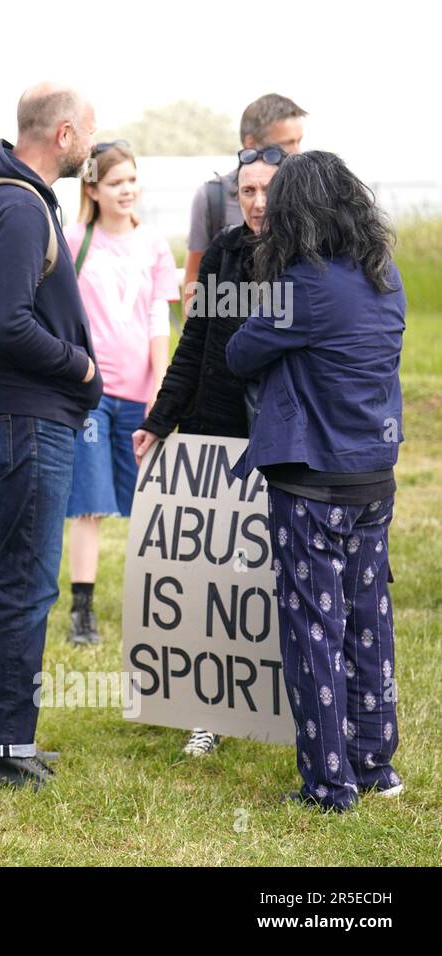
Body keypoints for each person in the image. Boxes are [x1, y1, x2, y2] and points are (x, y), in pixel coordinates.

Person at [225, 151, 405, 811]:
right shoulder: (388, 278)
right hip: (374, 478)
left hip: (311, 482)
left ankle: (329, 787)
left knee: (313, 629)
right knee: (369, 622)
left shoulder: (303, 288)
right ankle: (375, 767)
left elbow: (240, 351)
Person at [0, 83, 102, 790]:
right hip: (25, 415)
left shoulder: (8, 195)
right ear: (65, 135)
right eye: (90, 138)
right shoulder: (16, 204)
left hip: (10, 412)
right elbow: (10, 323)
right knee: (25, 581)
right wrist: (80, 365)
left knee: (3, 570)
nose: (94, 151)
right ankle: (9, 756)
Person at [132, 144, 286, 757]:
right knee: (212, 572)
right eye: (246, 191)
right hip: (215, 429)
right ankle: (207, 711)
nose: (256, 203)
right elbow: (195, 341)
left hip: (282, 433)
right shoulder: (223, 252)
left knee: (275, 569)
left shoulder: (309, 259)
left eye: (268, 191)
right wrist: (161, 418)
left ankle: (284, 699)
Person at [63, 141, 175, 645]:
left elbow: (158, 318)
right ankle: (81, 611)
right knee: (88, 503)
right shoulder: (73, 241)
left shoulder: (154, 243)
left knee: (145, 504)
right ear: (93, 189)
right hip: (89, 395)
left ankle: (153, 603)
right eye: (115, 182)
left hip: (139, 395)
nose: (126, 190)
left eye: (131, 179)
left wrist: (160, 387)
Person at [183, 94, 305, 298]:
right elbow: (195, 275)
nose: (297, 152)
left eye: (299, 141)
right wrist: (195, 328)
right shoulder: (213, 197)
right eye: (286, 144)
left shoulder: (308, 196)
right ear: (251, 144)